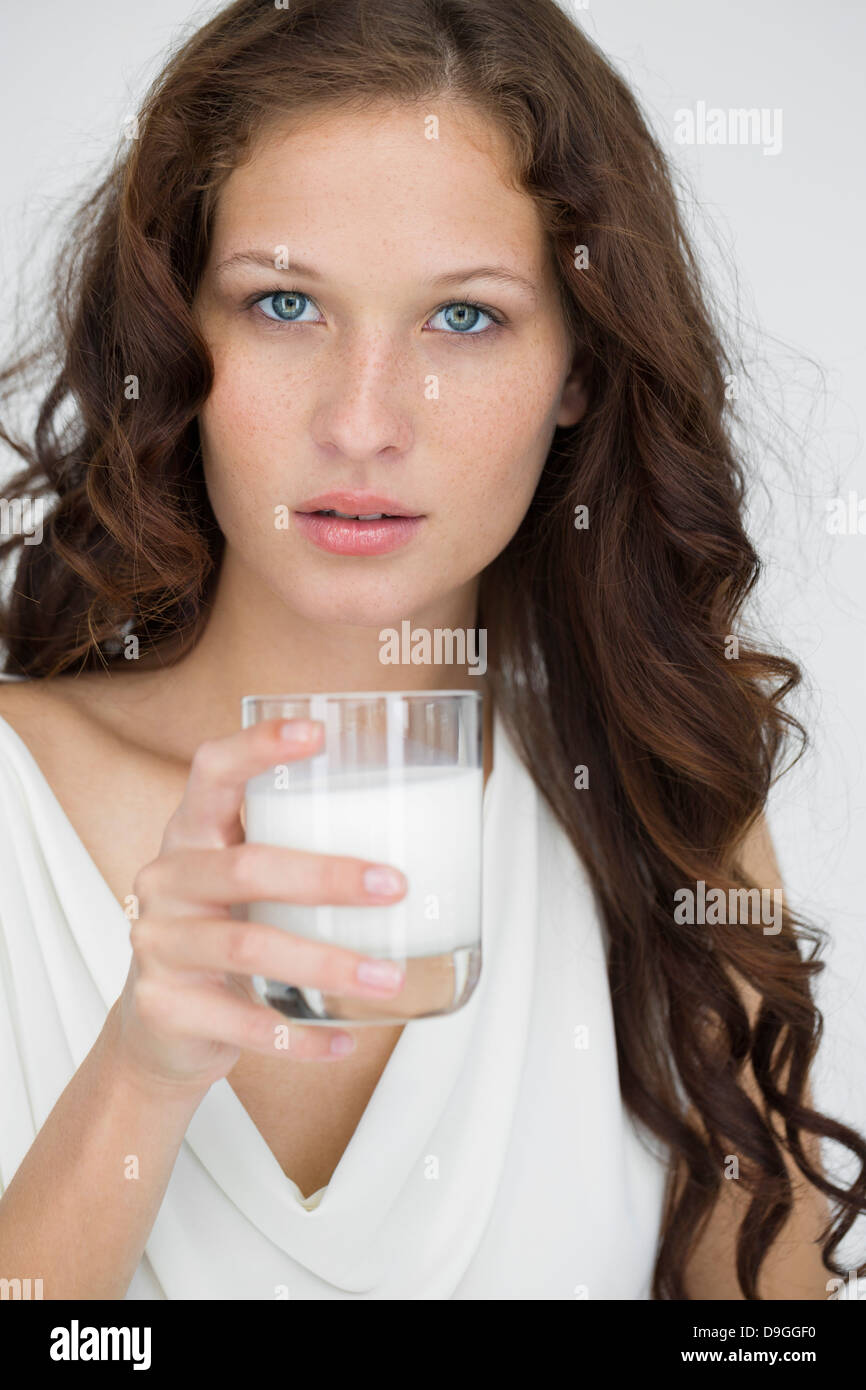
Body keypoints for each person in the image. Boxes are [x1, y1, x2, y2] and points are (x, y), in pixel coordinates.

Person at [0, 0, 863, 1301]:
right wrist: (139, 1070)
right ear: (181, 333)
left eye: (462, 320)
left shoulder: (656, 808)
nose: (362, 422)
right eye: (285, 301)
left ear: (579, 368)